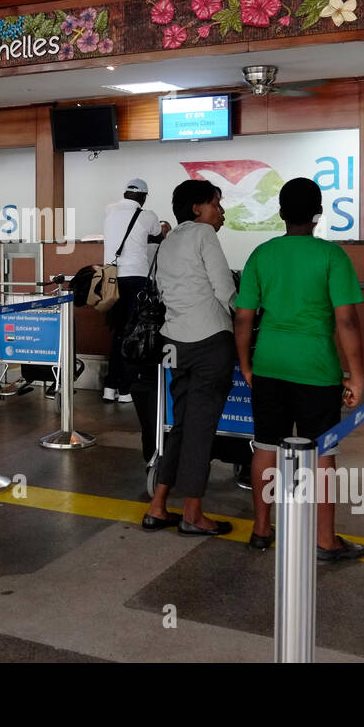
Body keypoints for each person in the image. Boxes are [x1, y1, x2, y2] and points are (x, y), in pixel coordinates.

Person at [233, 178, 364, 561]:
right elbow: (347, 322)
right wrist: (356, 375)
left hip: (269, 365)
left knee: (265, 445)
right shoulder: (332, 256)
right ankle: (325, 539)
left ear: (280, 213)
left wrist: (245, 364)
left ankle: (261, 529)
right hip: (316, 369)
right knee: (322, 452)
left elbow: (243, 318)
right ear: (318, 214)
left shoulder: (262, 253)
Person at [141, 179, 234, 535]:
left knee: (180, 425)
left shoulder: (169, 240)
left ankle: (158, 505)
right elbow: (225, 289)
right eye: (217, 204)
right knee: (201, 428)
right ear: (198, 208)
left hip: (174, 341)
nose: (221, 212)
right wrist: (247, 315)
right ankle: (193, 514)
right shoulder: (203, 234)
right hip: (209, 340)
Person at [102, 178, 169, 403]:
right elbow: (159, 235)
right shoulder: (147, 215)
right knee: (133, 333)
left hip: (111, 279)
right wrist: (165, 228)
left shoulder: (110, 212)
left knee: (119, 331)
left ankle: (109, 387)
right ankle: (125, 389)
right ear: (142, 196)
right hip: (136, 278)